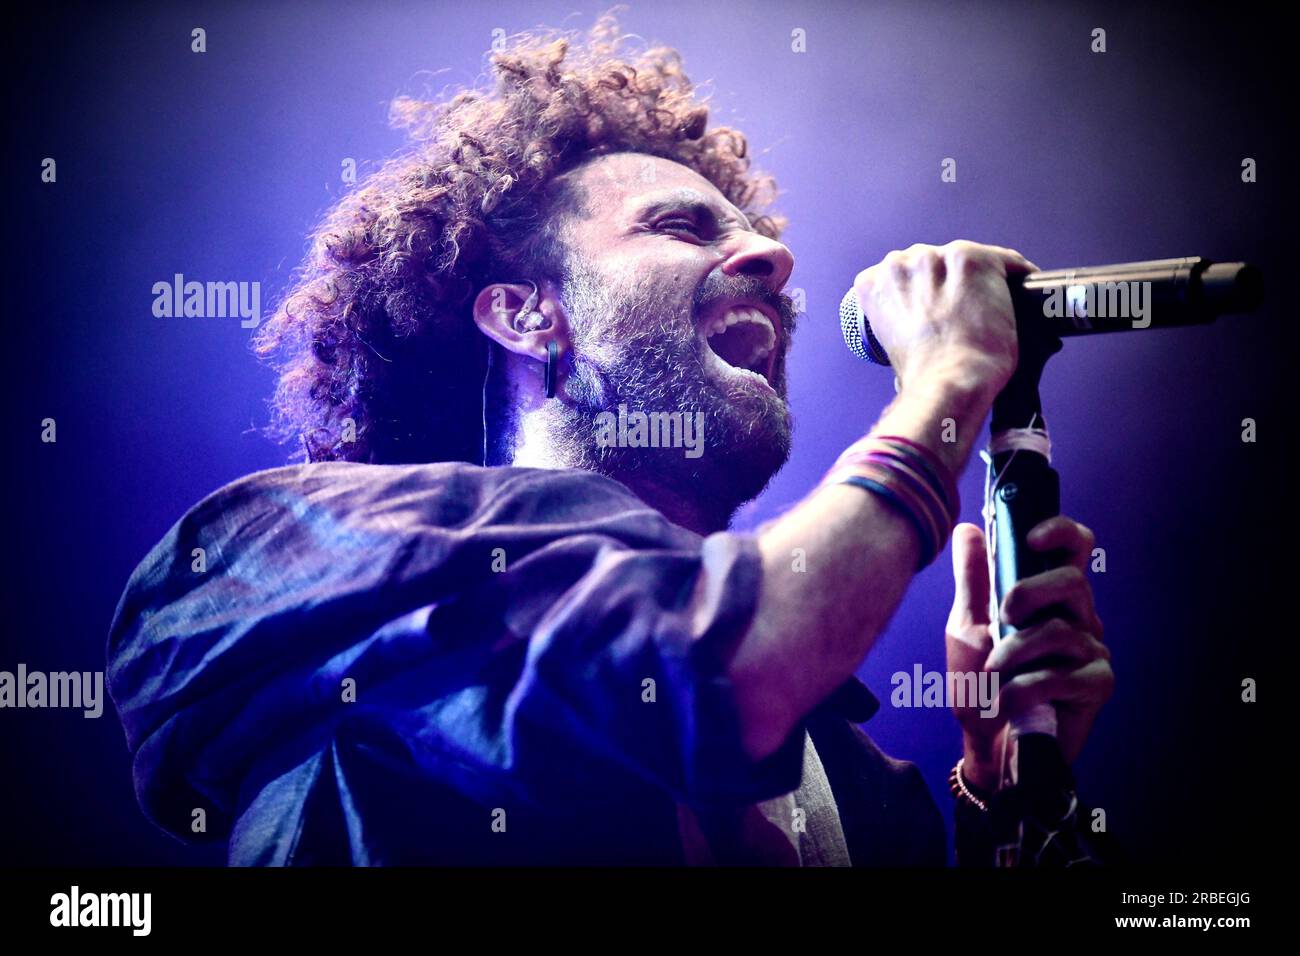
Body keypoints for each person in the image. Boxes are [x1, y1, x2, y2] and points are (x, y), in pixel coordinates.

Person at [106, 16, 1113, 866]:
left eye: (750, 231)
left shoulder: (847, 770)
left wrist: (1004, 793)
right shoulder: (318, 554)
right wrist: (946, 379)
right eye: (680, 227)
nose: (770, 253)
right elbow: (714, 666)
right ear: (524, 314)